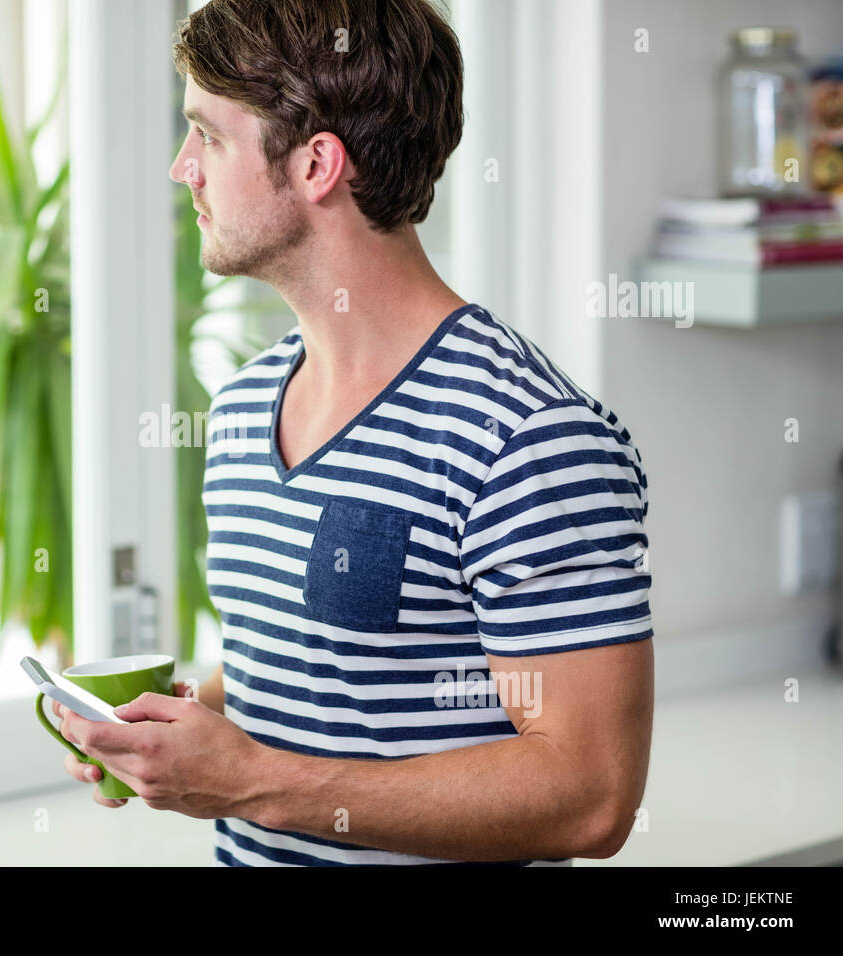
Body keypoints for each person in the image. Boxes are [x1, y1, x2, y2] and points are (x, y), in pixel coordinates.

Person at [54, 0, 653, 866]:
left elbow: (591, 798)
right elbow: (309, 672)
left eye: (208, 136)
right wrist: (178, 726)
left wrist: (250, 780)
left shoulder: (529, 437)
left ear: (316, 165)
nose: (181, 166)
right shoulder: (240, 410)